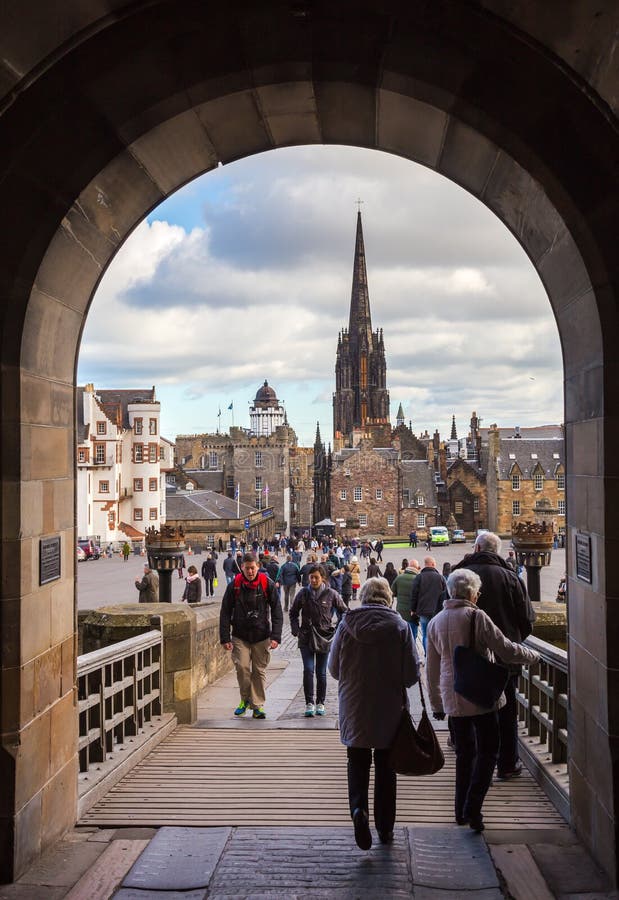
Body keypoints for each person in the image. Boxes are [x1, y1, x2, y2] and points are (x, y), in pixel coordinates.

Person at [426, 568, 539, 832]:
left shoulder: (436, 621)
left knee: (465, 754)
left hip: (452, 695)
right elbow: (506, 650)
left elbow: (431, 669)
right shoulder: (477, 617)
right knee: (489, 751)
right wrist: (532, 656)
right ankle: (473, 807)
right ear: (472, 594)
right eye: (477, 592)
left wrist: (436, 704)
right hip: (481, 696)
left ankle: (460, 810)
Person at [329, 577, 419, 849]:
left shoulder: (346, 625)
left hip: (354, 705)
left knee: (357, 762)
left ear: (364, 597)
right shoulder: (401, 627)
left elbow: (333, 669)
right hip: (389, 708)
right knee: (385, 767)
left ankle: (358, 810)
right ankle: (385, 826)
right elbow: (411, 675)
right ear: (388, 597)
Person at [452, 531, 535, 781]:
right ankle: (507, 763)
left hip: (465, 658)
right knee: (507, 712)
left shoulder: (457, 574)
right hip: (503, 659)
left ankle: (473, 760)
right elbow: (527, 620)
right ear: (496, 551)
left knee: (467, 710)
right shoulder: (510, 577)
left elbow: (442, 612)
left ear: (476, 548)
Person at [219, 552, 283, 719]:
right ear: (242, 568)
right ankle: (245, 699)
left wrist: (276, 636)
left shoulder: (266, 583)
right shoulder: (234, 585)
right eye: (247, 568)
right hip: (240, 634)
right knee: (242, 668)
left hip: (262, 634)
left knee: (259, 671)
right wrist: (225, 637)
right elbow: (225, 611)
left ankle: (257, 705)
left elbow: (277, 611)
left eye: (252, 568)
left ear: (258, 567)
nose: (250, 571)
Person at [290, 565, 347, 717]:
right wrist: (295, 629)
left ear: (323, 578)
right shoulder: (303, 593)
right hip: (306, 637)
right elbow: (293, 612)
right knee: (308, 670)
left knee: (321, 673)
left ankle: (320, 702)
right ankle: (309, 702)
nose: (314, 580)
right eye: (311, 577)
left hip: (324, 637)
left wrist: (337, 628)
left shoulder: (331, 594)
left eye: (316, 577)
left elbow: (344, 611)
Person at [410, 556, 447, 653]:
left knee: (426, 634)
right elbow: (446, 595)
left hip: (423, 611)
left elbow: (414, 595)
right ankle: (437, 654)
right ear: (433, 564)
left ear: (425, 565)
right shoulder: (440, 578)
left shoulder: (419, 577)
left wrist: (413, 609)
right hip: (438, 611)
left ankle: (427, 655)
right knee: (437, 634)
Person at [391, 559, 419, 639]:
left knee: (402, 636)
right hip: (413, 613)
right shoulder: (418, 579)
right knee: (413, 636)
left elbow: (392, 592)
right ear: (416, 567)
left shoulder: (399, 578)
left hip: (400, 611)